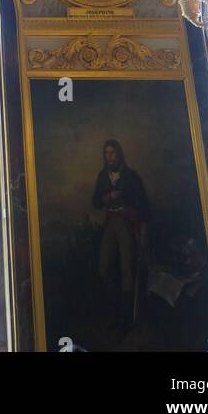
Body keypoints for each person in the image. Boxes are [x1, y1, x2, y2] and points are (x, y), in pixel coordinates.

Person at [92, 138, 149, 336]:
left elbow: (143, 204)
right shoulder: (102, 176)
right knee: (104, 267)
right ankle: (116, 312)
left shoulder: (131, 176)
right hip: (110, 222)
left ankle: (126, 318)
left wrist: (142, 229)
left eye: (113, 153)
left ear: (119, 154)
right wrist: (106, 198)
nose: (109, 157)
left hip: (127, 222)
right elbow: (95, 201)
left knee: (127, 270)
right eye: (106, 153)